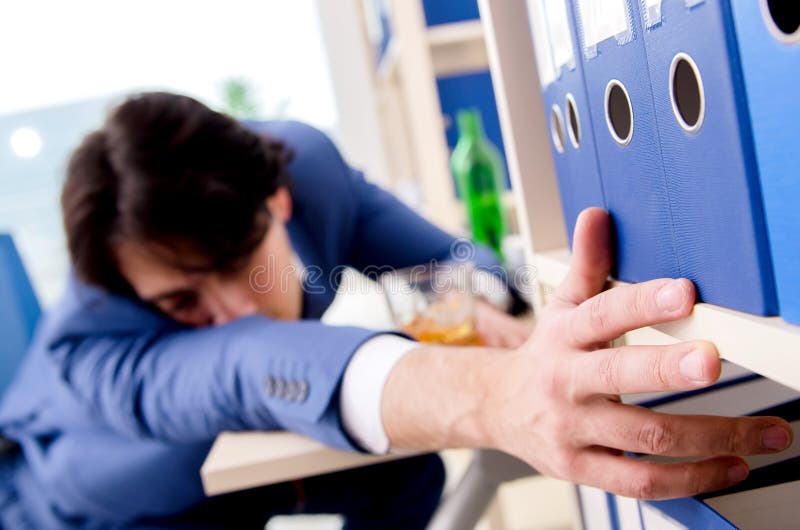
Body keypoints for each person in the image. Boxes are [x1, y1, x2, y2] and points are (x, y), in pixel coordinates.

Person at [0, 92, 792, 529]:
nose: (236, 308)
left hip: (270, 477)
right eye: (179, 301)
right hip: (82, 512)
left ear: (275, 199)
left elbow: (451, 262)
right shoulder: (97, 329)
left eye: (241, 265)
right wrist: (495, 394)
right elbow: (243, 363)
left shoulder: (303, 165)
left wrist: (485, 303)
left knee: (408, 475)